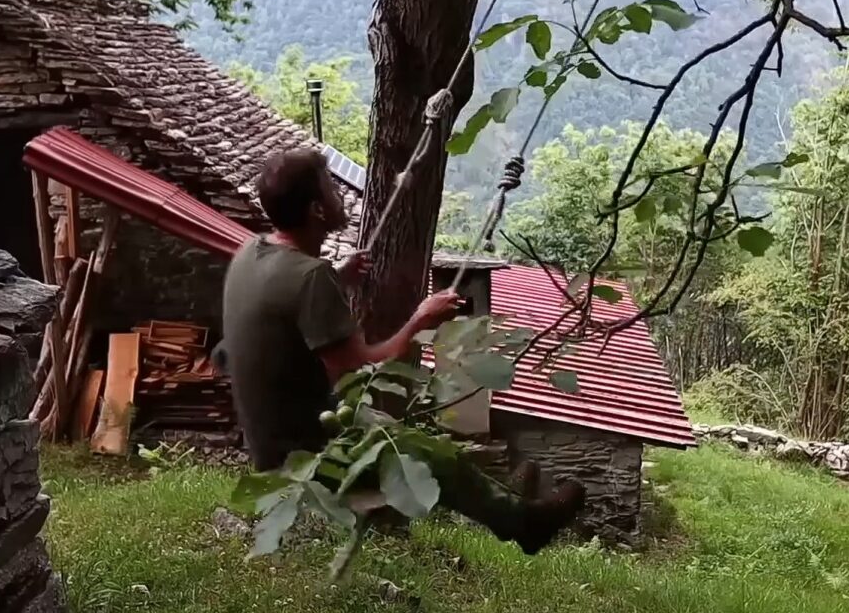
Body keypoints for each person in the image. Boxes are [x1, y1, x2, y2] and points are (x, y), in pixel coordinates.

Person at [221, 149, 586, 554]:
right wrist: (420, 320)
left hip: (272, 440)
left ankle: (501, 499)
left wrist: (340, 279)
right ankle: (526, 524)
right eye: (331, 189)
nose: (339, 195)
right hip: (305, 459)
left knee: (401, 435)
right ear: (316, 210)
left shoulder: (253, 251)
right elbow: (360, 375)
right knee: (427, 454)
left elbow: (285, 304)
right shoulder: (310, 278)